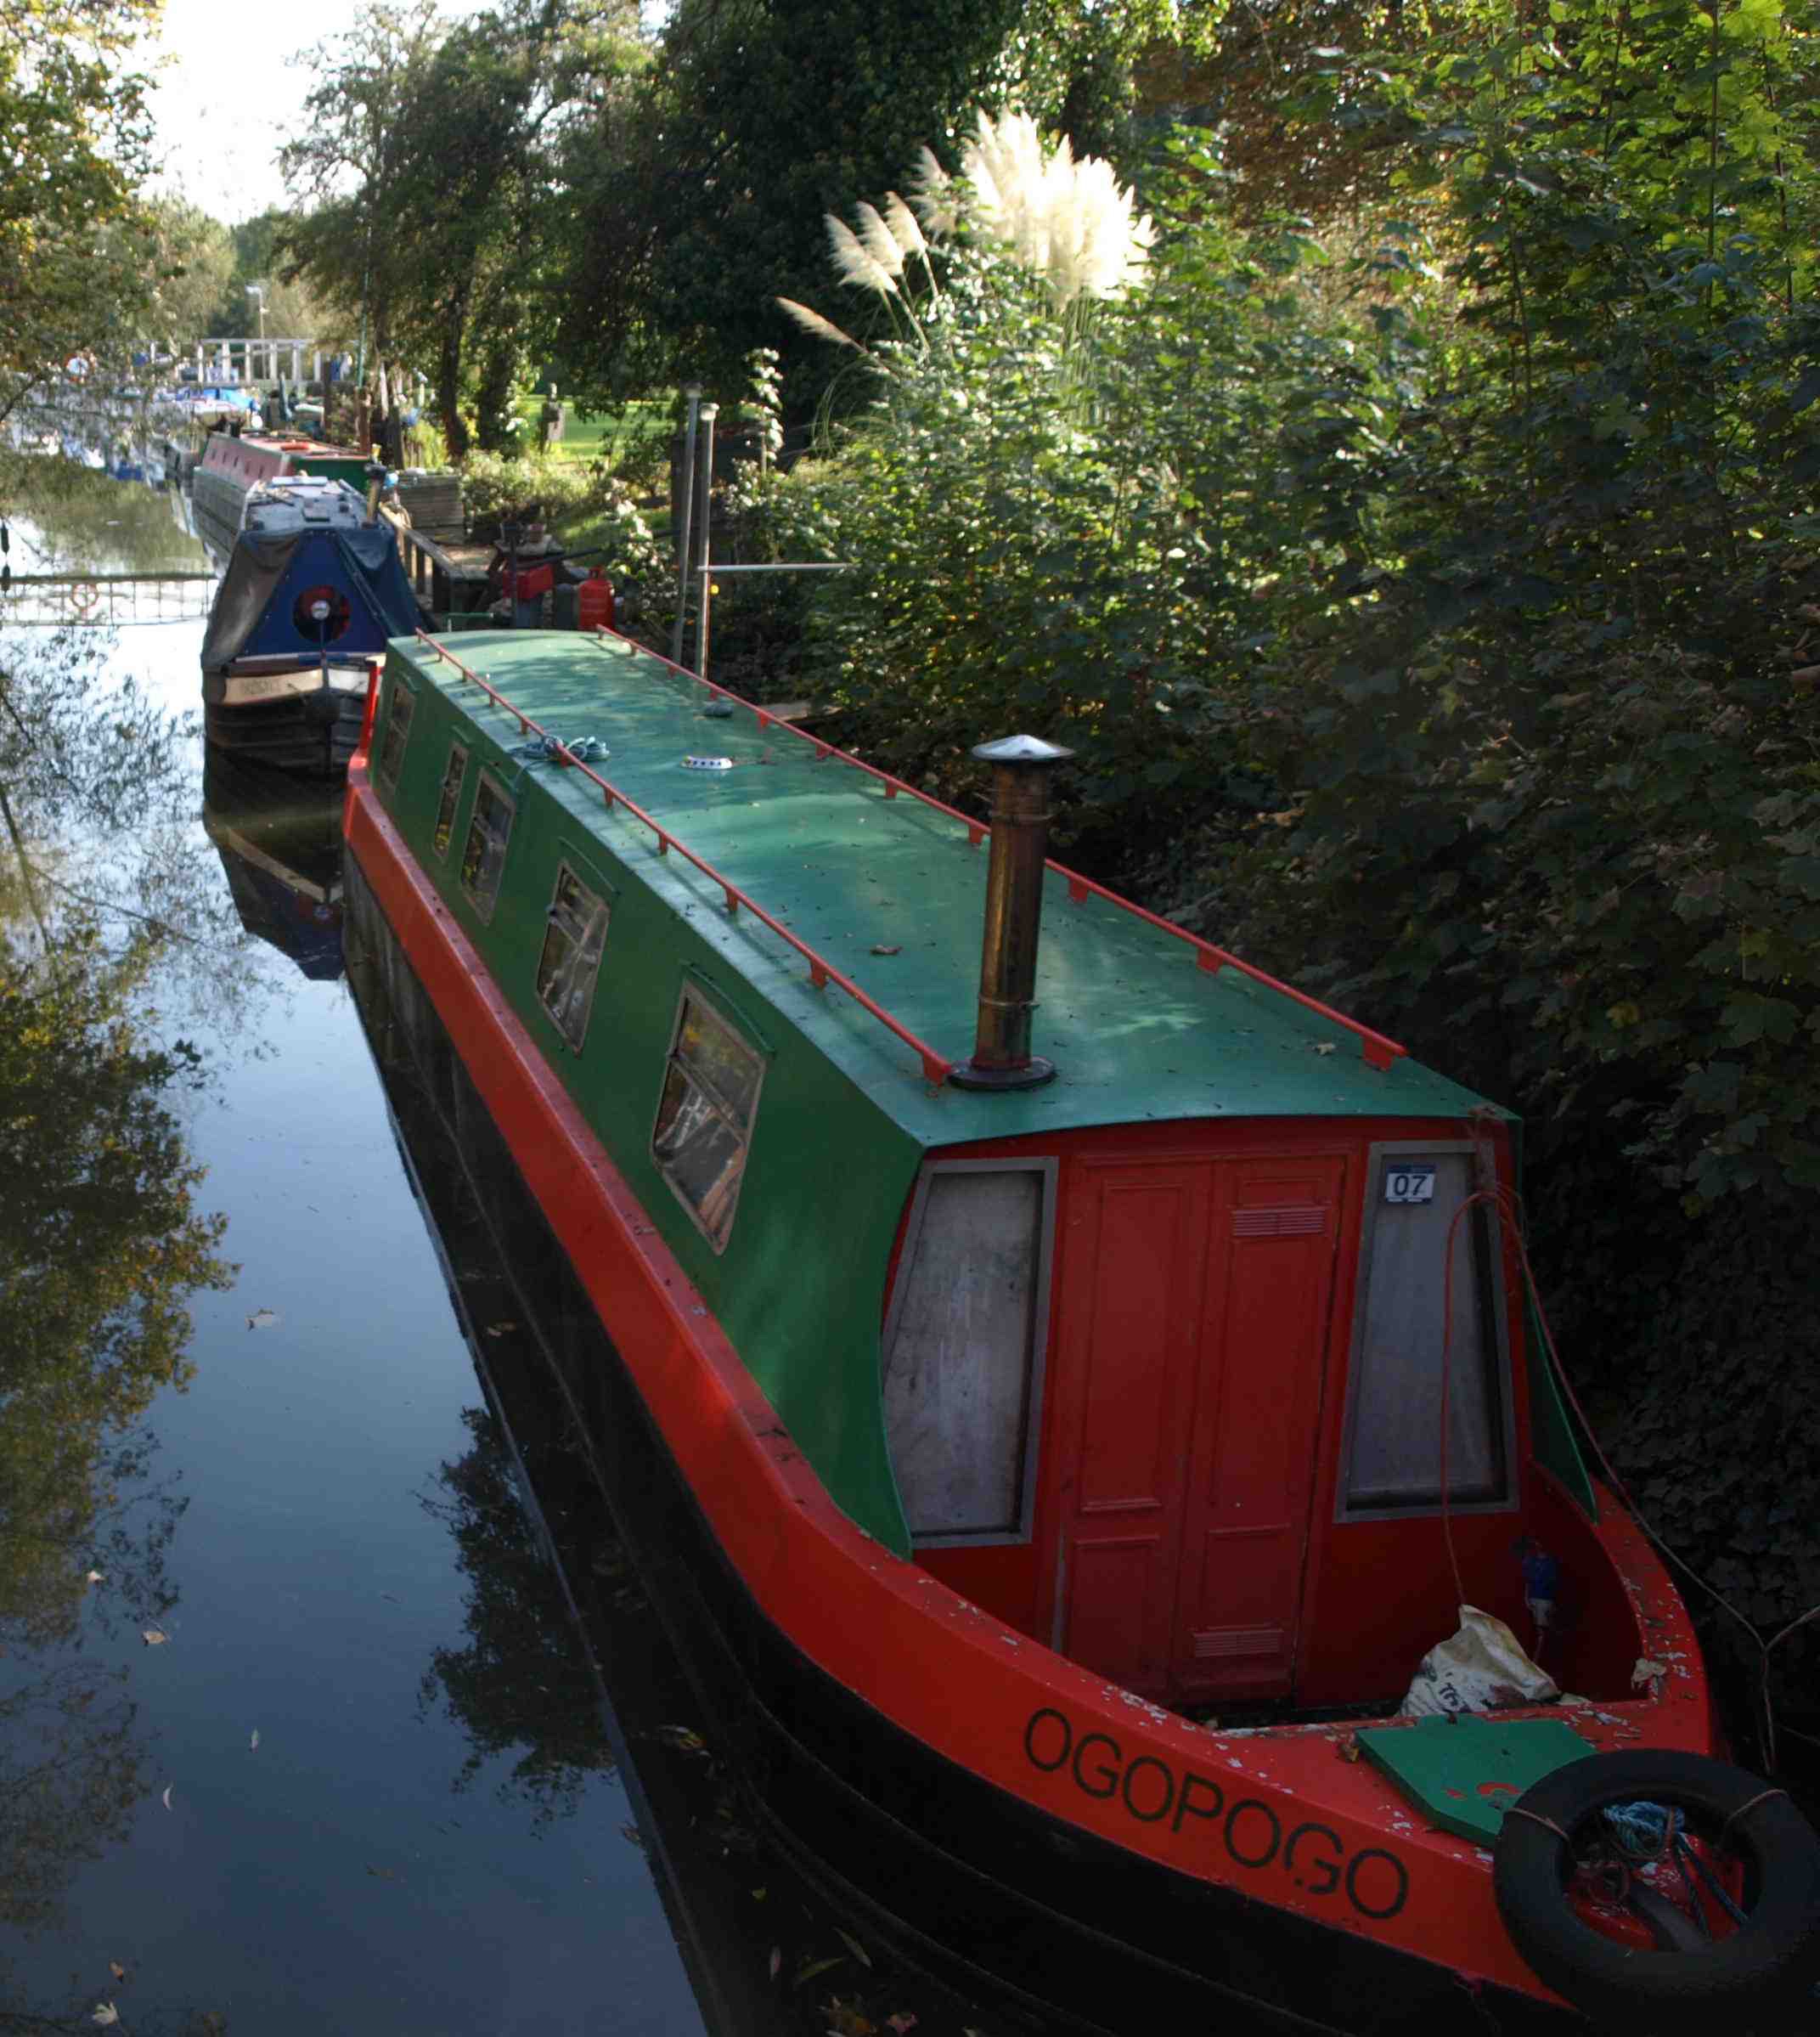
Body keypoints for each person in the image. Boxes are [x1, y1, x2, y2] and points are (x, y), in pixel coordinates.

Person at [540, 384, 564, 449]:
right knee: (545, 438)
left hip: (551, 422)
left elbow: (559, 415)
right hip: (547, 422)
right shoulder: (546, 405)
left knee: (548, 438)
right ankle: (544, 450)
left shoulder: (557, 404)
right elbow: (545, 415)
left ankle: (546, 450)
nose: (549, 396)